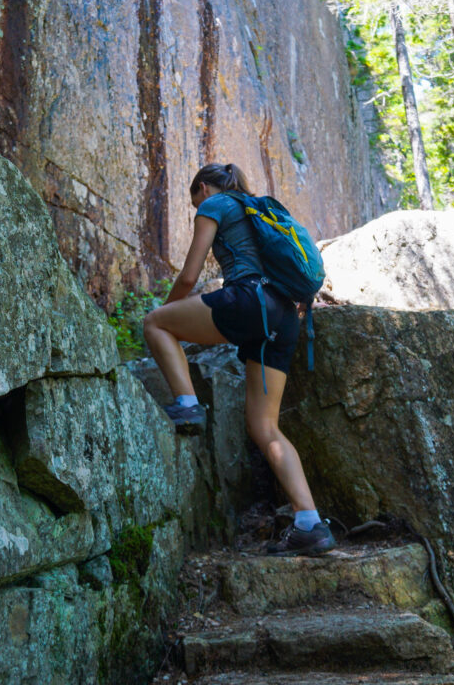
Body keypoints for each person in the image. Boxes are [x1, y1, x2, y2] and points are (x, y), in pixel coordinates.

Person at [142, 163, 336, 557]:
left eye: (194, 200)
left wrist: (165, 311)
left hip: (250, 300)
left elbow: (188, 276)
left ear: (202, 188)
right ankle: (310, 524)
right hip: (285, 316)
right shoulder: (256, 207)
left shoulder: (214, 205)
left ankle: (187, 404)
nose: (195, 207)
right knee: (265, 427)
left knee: (155, 323)